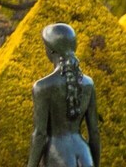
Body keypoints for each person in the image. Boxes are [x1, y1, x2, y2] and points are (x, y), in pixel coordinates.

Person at [29, 23, 101, 167]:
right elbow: (94, 132)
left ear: (51, 51)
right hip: (84, 155)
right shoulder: (88, 83)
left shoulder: (43, 87)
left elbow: (40, 135)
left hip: (58, 156)